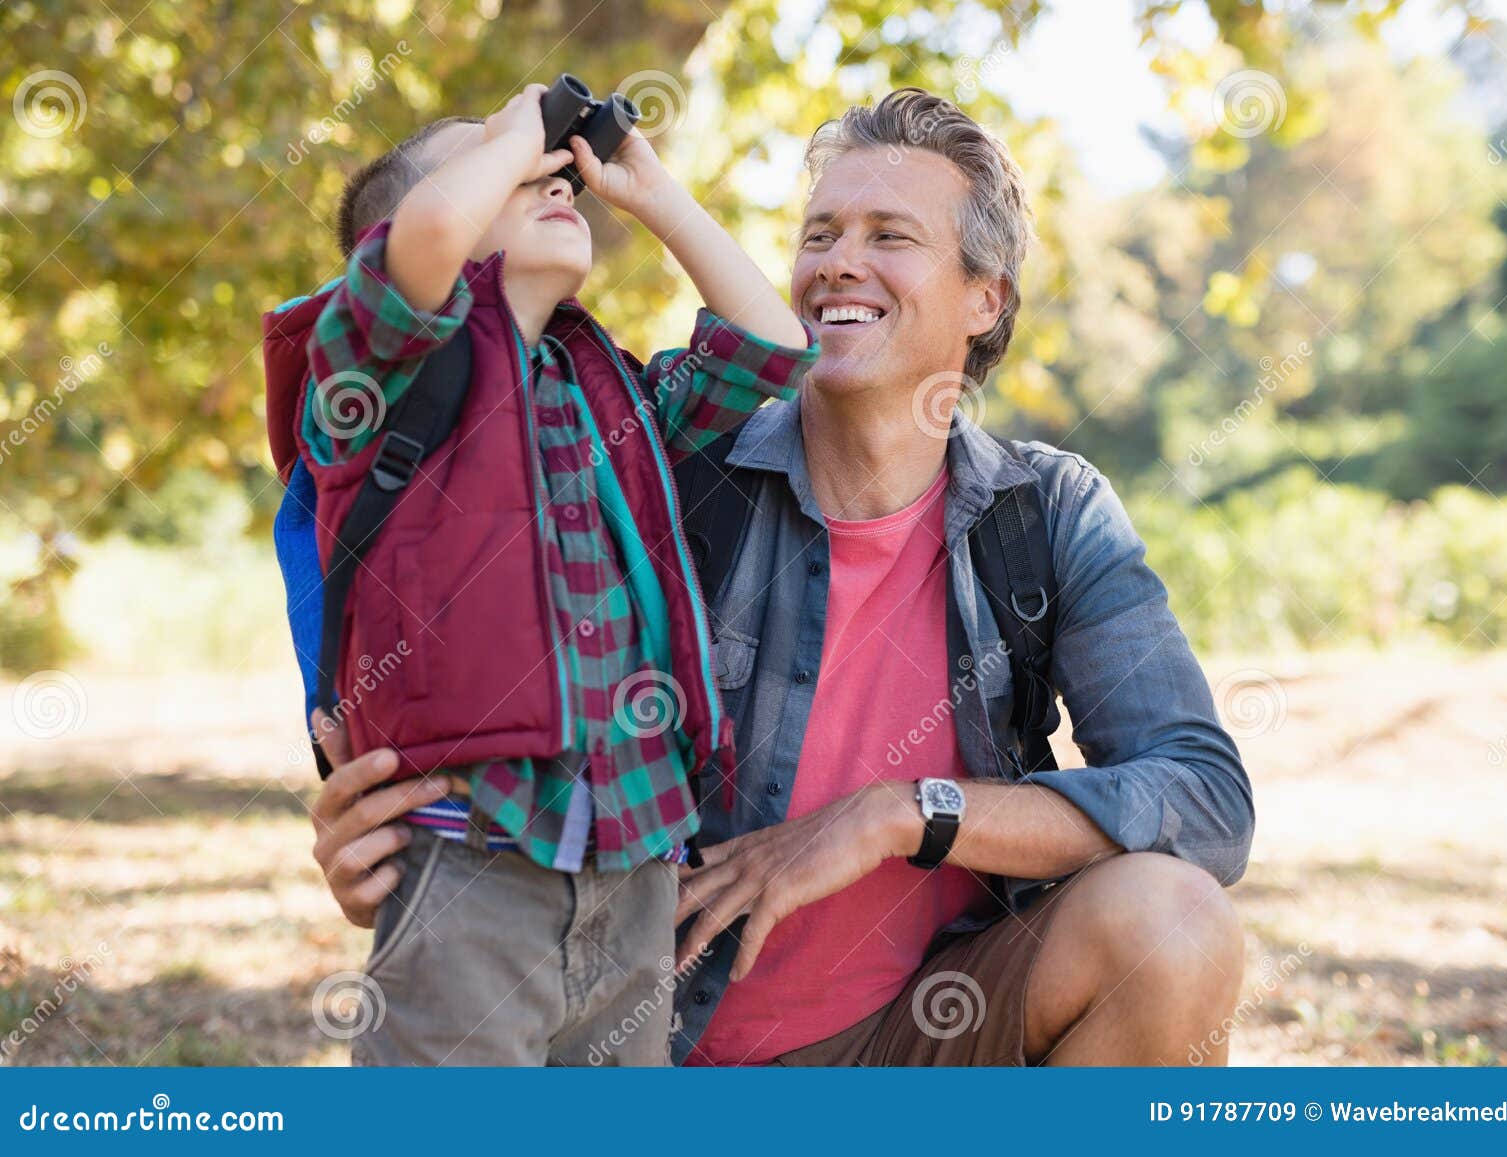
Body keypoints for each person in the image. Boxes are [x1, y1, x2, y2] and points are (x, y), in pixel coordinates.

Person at [304, 88, 1254, 1067]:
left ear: (986, 296)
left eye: (890, 234)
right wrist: (397, 824)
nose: (841, 261)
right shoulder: (660, 467)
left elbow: (1204, 799)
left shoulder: (1044, 513)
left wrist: (897, 813)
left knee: (1171, 923)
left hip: (917, 1037)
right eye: (820, 233)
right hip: (658, 1042)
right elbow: (439, 588)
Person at [263, 83, 816, 1065]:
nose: (550, 171)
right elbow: (427, 237)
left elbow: (771, 344)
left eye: (555, 169)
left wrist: (651, 193)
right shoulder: (375, 372)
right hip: (471, 857)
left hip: (634, 858)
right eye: (506, 167)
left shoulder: (607, 392)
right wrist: (514, 126)